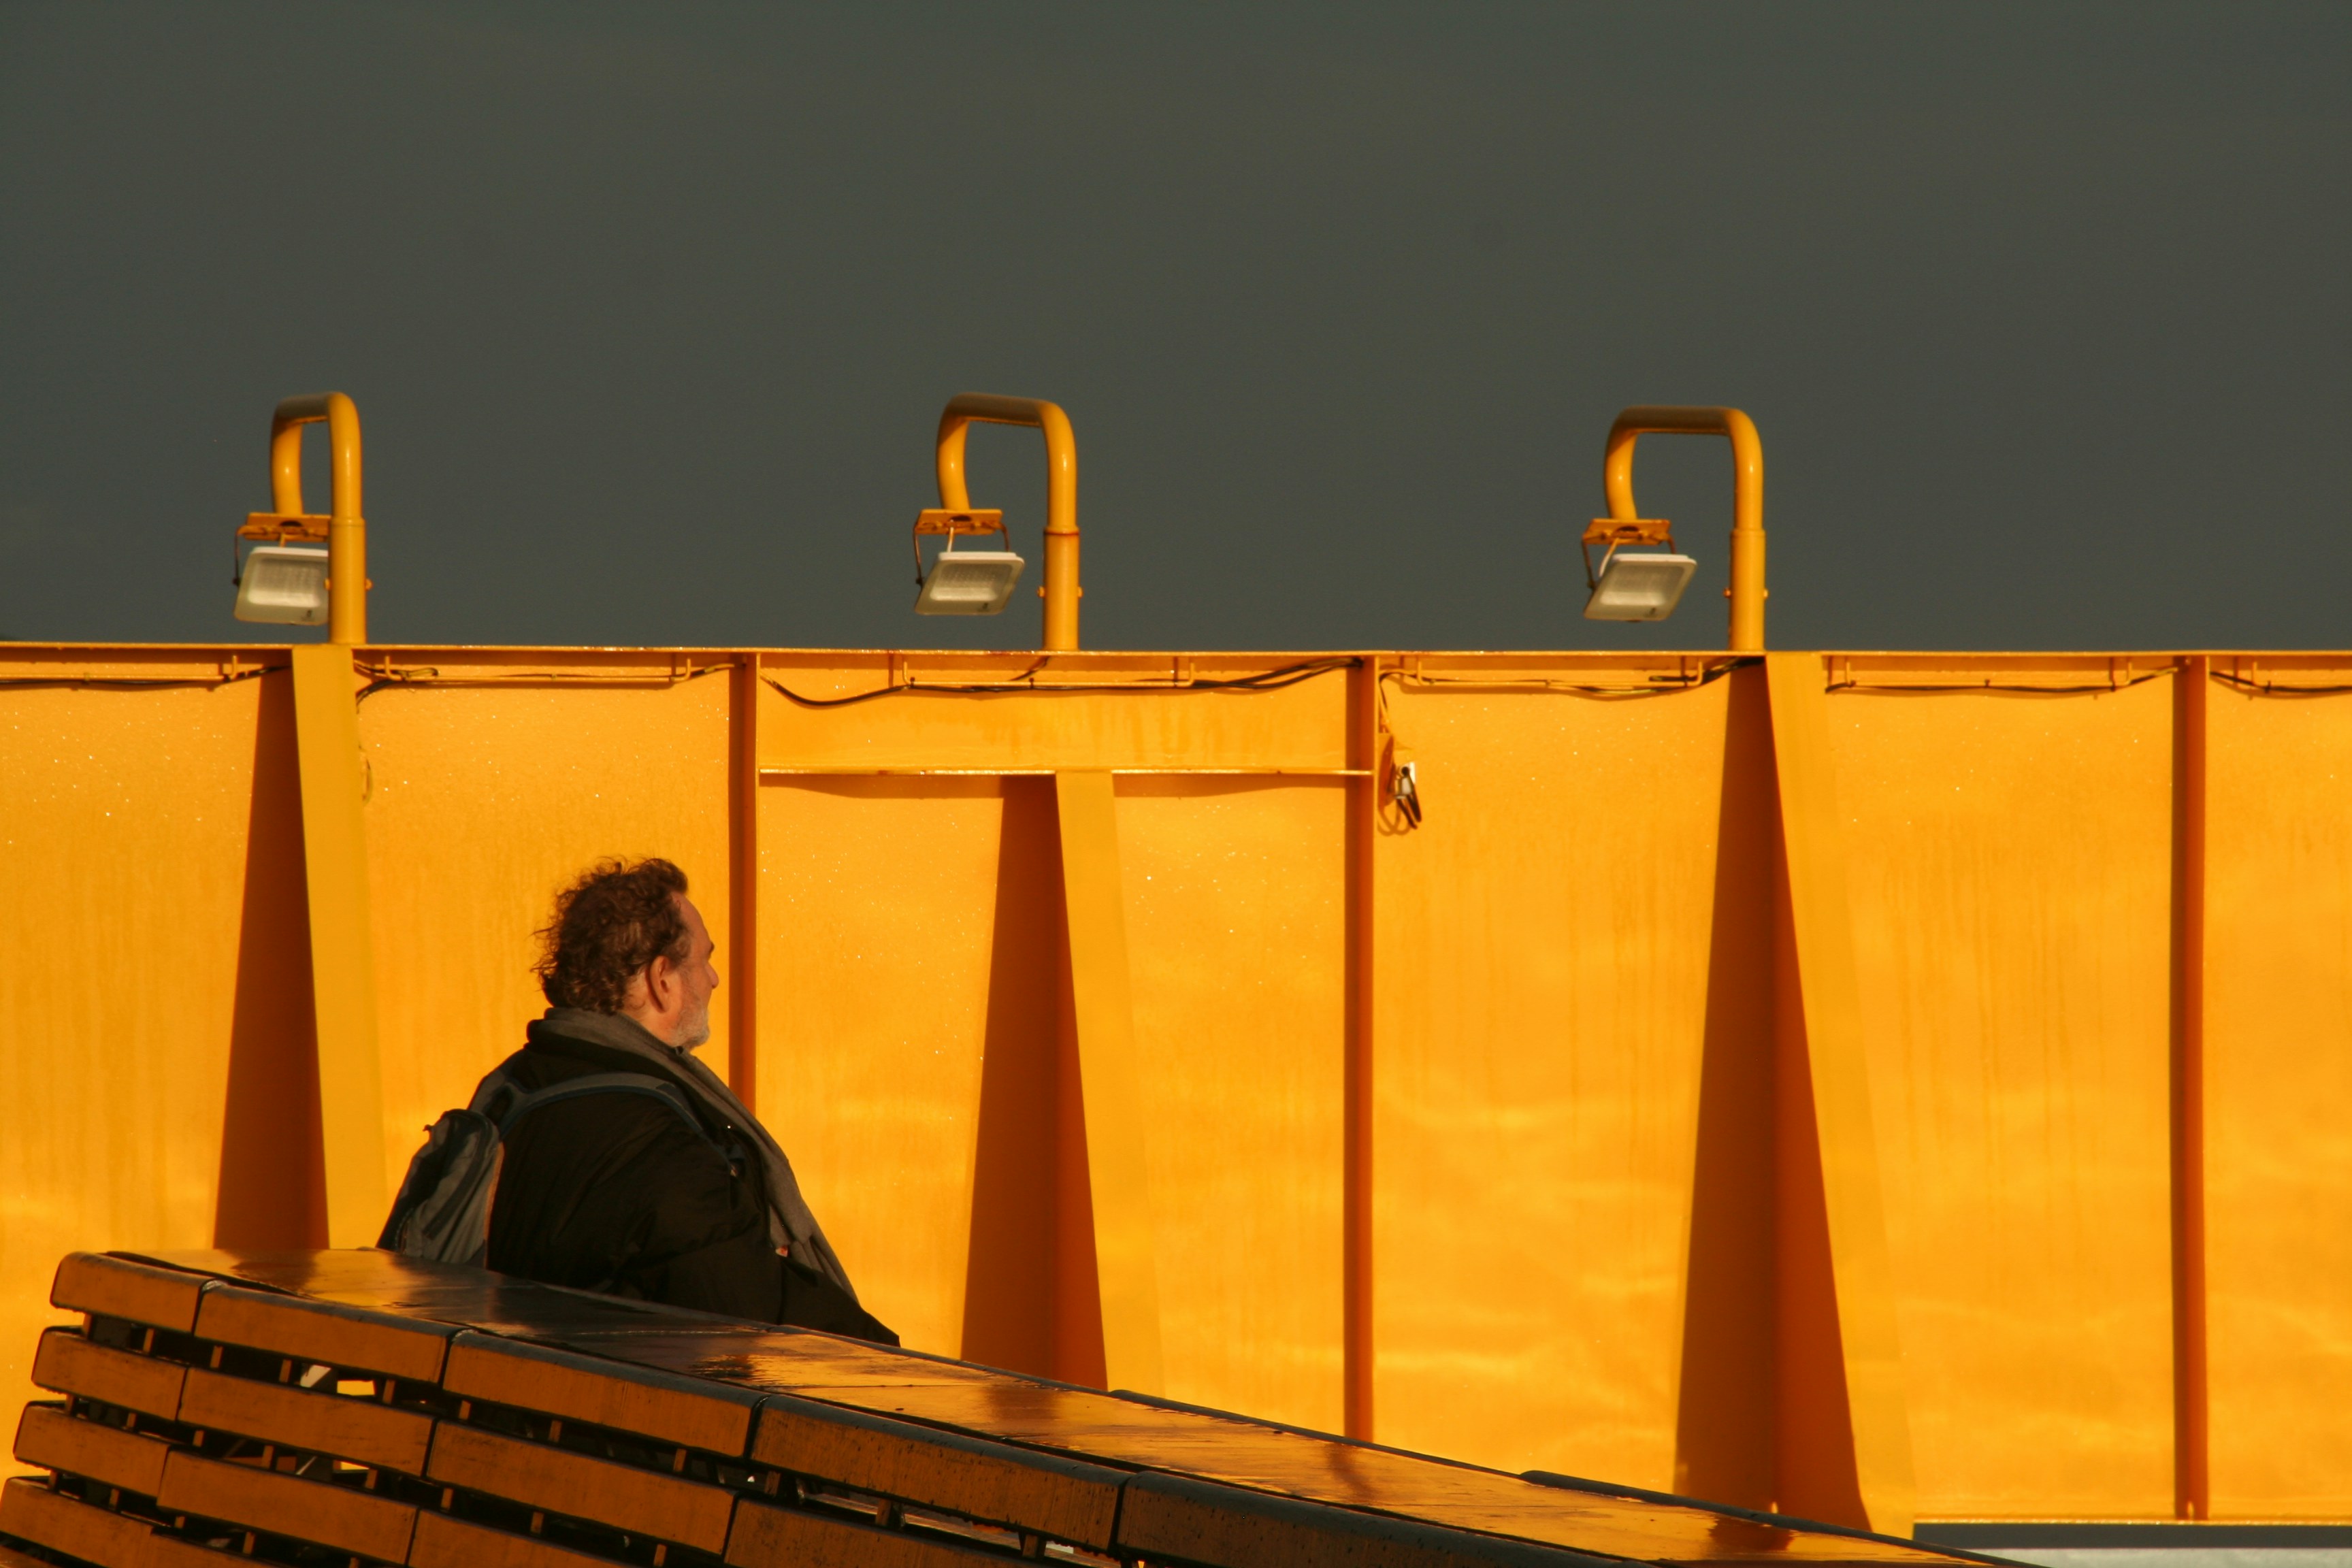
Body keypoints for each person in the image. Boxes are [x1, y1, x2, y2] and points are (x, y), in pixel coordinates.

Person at [480, 856, 895, 1343]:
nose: (714, 978)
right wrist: (890, 1357)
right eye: (704, 959)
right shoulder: (649, 1139)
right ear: (662, 979)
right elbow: (744, 1302)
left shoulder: (512, 1089)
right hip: (619, 1404)